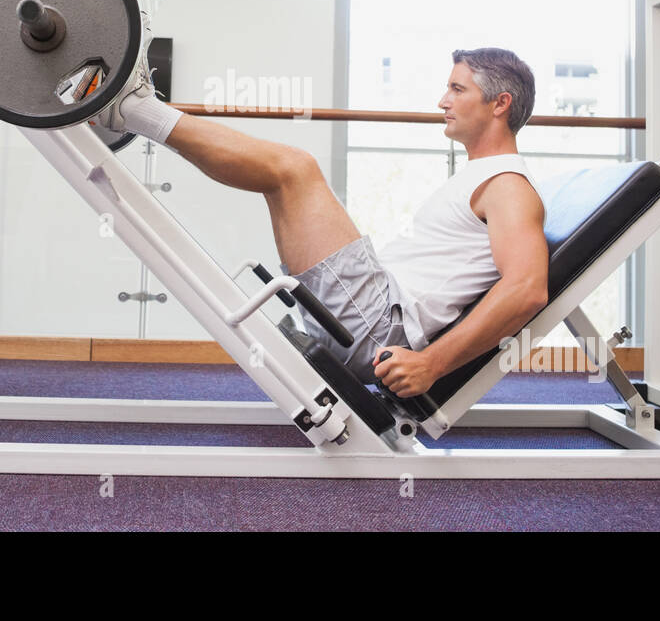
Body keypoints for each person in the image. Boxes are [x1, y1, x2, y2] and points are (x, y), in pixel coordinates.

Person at [92, 38, 549, 399]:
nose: (441, 100)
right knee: (279, 180)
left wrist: (432, 364)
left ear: (499, 103)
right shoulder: (484, 177)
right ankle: (136, 111)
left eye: (457, 89)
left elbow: (527, 289)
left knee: (294, 170)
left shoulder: (508, 185)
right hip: (371, 312)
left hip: (378, 328)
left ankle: (134, 109)